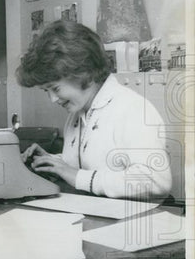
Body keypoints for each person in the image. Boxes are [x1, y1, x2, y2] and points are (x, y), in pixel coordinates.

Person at [16, 20, 171, 200]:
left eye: (55, 88)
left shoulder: (133, 109)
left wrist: (76, 176)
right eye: (46, 91)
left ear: (83, 72)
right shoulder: (77, 113)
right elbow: (94, 165)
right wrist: (53, 162)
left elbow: (156, 181)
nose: (53, 99)